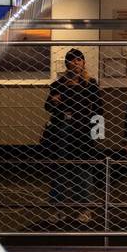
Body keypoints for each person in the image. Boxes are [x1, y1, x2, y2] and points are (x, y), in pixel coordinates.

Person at [40, 48, 105, 227]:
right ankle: (57, 208)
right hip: (62, 131)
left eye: (79, 60)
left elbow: (98, 109)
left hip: (83, 132)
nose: (75, 63)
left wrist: (98, 134)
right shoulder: (58, 84)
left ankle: (84, 208)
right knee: (60, 168)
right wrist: (56, 103)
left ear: (83, 63)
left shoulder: (90, 84)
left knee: (83, 168)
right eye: (72, 60)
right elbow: (48, 106)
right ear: (67, 63)